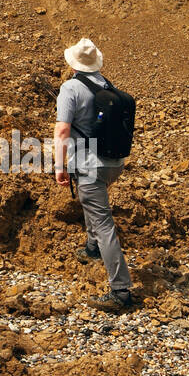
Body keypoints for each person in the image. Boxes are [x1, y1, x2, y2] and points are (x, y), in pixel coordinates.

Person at [53, 37, 134, 313]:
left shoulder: (71, 88)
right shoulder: (105, 85)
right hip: (115, 163)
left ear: (73, 63)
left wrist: (59, 166)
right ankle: (91, 248)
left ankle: (121, 291)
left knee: (103, 223)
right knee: (93, 202)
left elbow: (62, 130)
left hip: (90, 165)